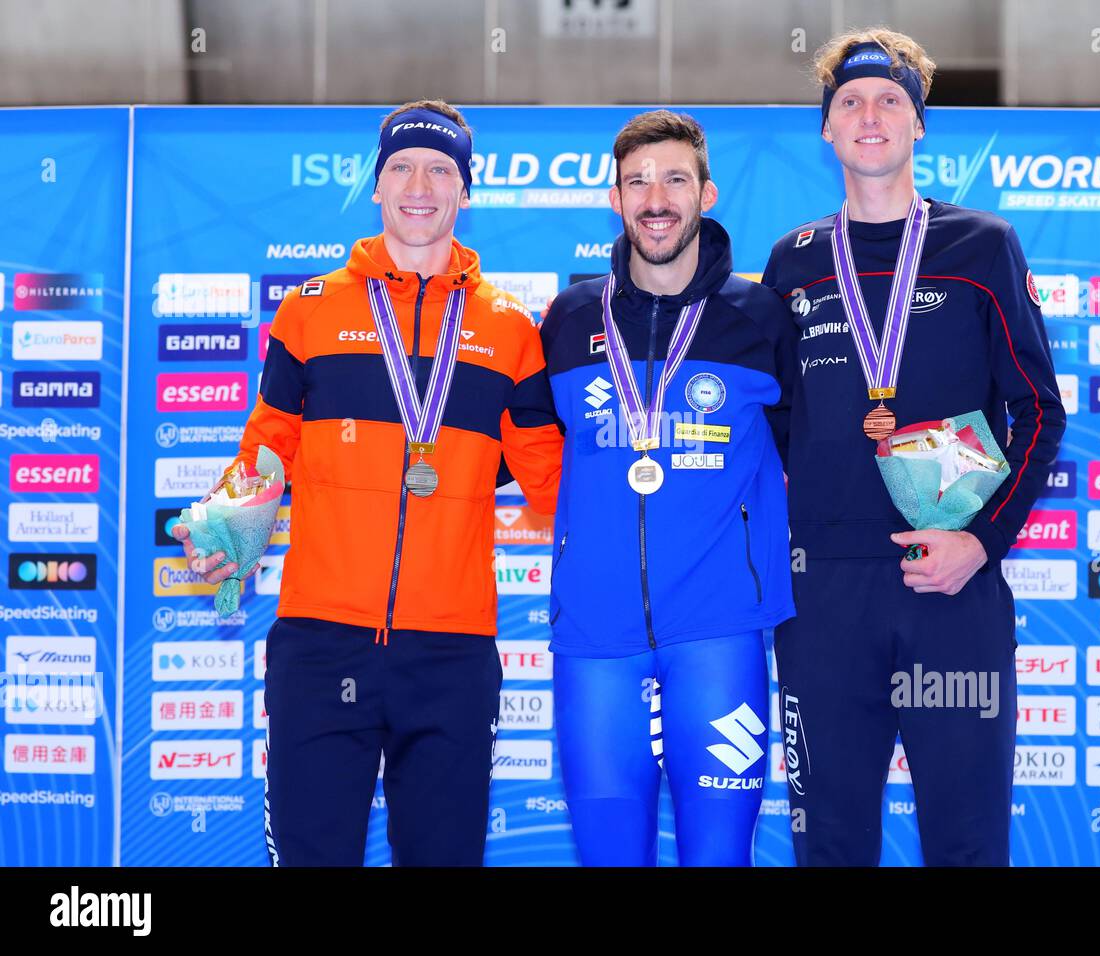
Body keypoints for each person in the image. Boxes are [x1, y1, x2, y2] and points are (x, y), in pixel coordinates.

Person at [173, 99, 563, 866]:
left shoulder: (510, 330)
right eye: (402, 168)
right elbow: (266, 451)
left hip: (451, 654)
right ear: (376, 187)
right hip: (321, 646)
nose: (421, 184)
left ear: (465, 191)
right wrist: (223, 526)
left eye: (441, 170)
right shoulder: (310, 311)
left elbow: (555, 485)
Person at [761, 29, 1066, 866]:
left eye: (890, 99)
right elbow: (775, 422)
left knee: (967, 843)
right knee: (831, 842)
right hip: (822, 600)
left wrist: (980, 542)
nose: (869, 116)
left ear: (919, 123)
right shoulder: (792, 263)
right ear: (826, 127)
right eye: (850, 102)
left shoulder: (981, 247)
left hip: (952, 591)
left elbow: (1038, 410)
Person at [539, 110, 796, 866]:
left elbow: (807, 457)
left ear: (707, 193)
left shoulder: (759, 317)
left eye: (675, 179)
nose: (657, 197)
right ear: (614, 199)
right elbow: (526, 451)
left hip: (719, 634)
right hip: (593, 641)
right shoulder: (569, 317)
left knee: (719, 858)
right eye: (638, 181)